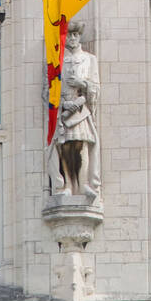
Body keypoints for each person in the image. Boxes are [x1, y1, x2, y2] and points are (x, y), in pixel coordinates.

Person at [50, 22, 101, 199]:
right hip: (64, 111)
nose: (72, 38)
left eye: (75, 35)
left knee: (82, 145)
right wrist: (63, 105)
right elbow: (47, 89)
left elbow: (95, 87)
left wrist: (82, 84)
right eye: (69, 35)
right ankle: (68, 185)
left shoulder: (89, 59)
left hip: (81, 110)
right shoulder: (56, 60)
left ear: (79, 36)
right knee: (65, 147)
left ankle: (84, 182)